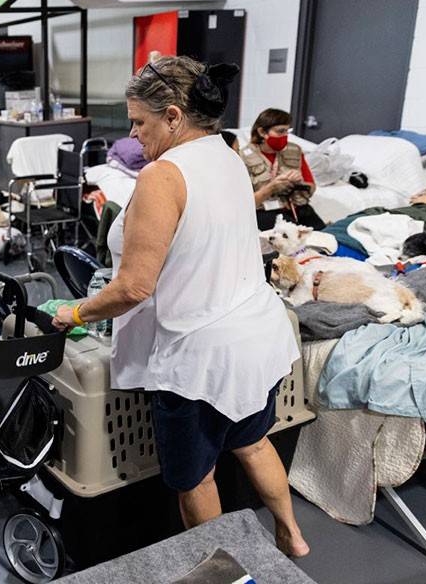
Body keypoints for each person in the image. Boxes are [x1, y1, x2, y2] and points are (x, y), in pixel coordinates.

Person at [53, 57, 310, 557]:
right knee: (255, 444)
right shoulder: (227, 155)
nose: (132, 134)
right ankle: (292, 535)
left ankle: (217, 568)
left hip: (201, 357)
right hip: (257, 332)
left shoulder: (163, 177)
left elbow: (132, 288)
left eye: (139, 122)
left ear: (173, 116)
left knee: (196, 478)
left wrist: (76, 313)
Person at [240, 108, 325, 231]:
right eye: (280, 131)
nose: (285, 136)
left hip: (297, 207)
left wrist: (299, 182)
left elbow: (311, 187)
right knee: (293, 239)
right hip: (266, 212)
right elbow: (245, 204)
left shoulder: (294, 151)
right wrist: (271, 188)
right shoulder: (244, 157)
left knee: (326, 239)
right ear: (262, 132)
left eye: (287, 131)